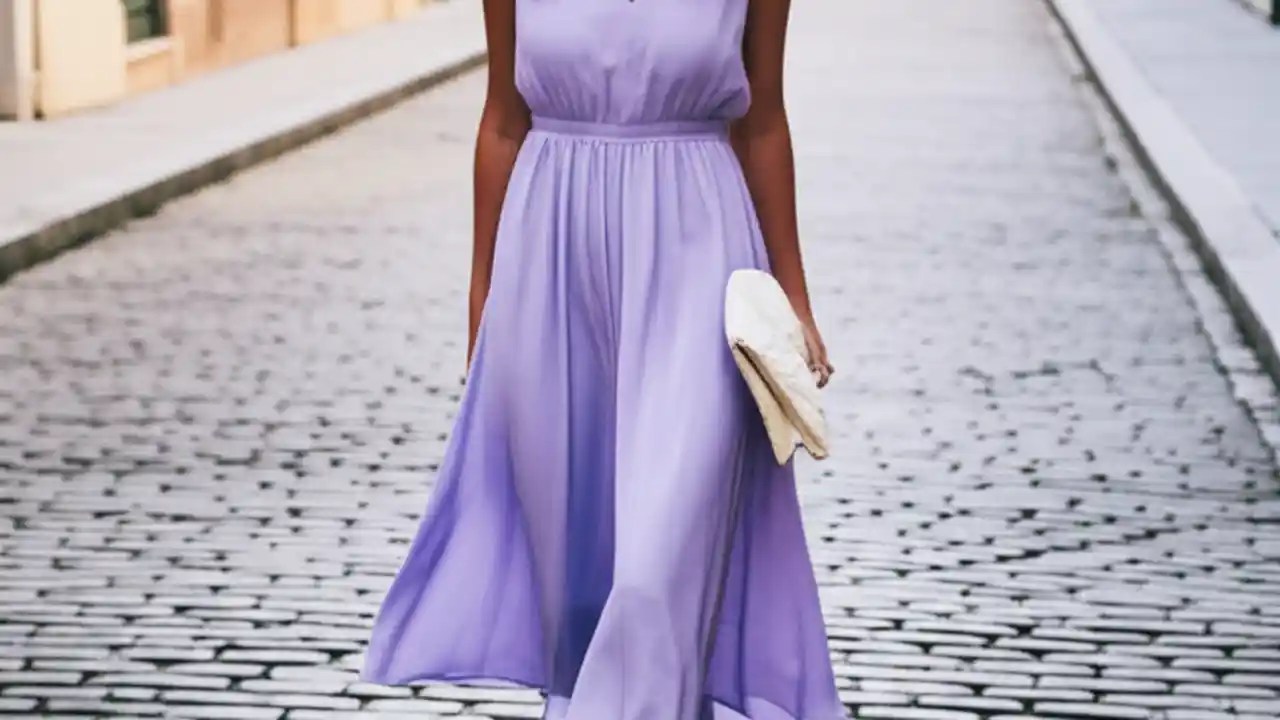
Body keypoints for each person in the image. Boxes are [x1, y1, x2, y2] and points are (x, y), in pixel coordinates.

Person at [360, 0, 844, 718]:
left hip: (697, 255)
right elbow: (502, 120)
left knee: (658, 571)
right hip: (550, 260)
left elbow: (763, 120)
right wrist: (484, 308)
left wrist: (794, 296)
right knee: (580, 592)